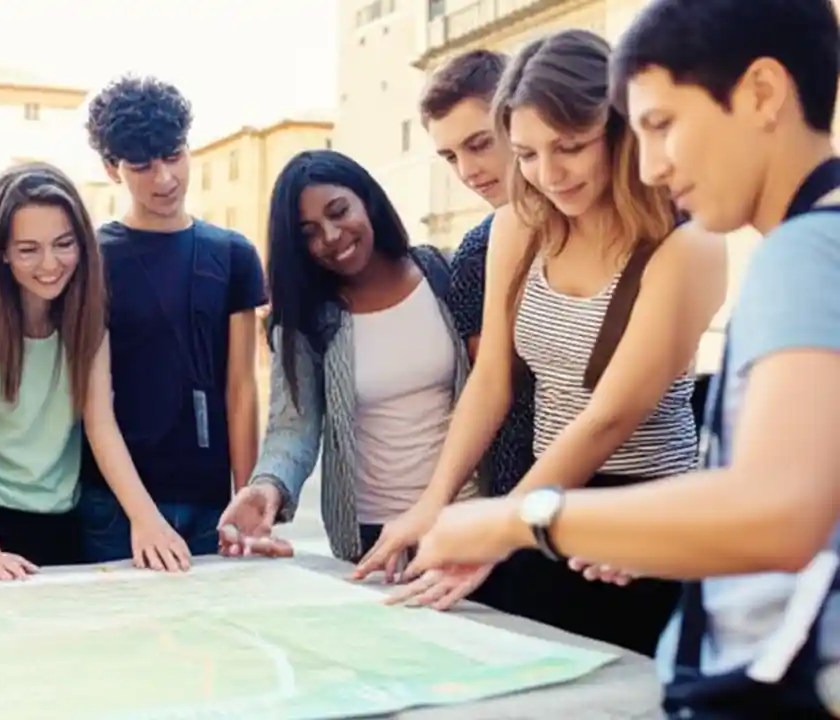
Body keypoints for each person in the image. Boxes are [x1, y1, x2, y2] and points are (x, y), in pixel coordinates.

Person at [402, 1, 840, 715]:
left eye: (662, 125)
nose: (654, 163)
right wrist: (654, 531)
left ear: (763, 93)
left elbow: (781, 513)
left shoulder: (806, 253)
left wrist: (514, 521)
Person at [356, 29, 727, 658]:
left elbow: (610, 417)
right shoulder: (517, 225)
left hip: (640, 526)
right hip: (542, 500)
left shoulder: (688, 246)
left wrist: (500, 529)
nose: (548, 175)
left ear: (618, 129)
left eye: (569, 148)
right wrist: (433, 503)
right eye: (526, 154)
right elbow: (491, 379)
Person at [215, 149, 492, 572]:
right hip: (372, 538)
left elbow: (490, 387)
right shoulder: (306, 318)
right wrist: (267, 486)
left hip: (464, 520)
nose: (330, 236)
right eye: (309, 232)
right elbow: (293, 426)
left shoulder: (443, 274)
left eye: (339, 211)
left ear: (368, 200)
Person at [0, 162, 191, 577]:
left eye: (64, 244)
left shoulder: (88, 316)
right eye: (28, 249)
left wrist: (147, 520)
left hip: (63, 525)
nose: (50, 263)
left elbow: (101, 425)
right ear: (2, 251)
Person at [78, 75, 267, 559]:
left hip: (210, 502)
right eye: (142, 166)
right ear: (111, 168)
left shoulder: (234, 254)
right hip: (116, 505)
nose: (164, 179)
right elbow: (94, 405)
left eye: (173, 156)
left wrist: (246, 501)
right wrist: (142, 515)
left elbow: (241, 388)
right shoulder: (93, 258)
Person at [424, 49, 537, 501]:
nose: (467, 171)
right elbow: (492, 385)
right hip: (516, 484)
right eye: (450, 157)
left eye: (479, 144)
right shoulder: (476, 254)